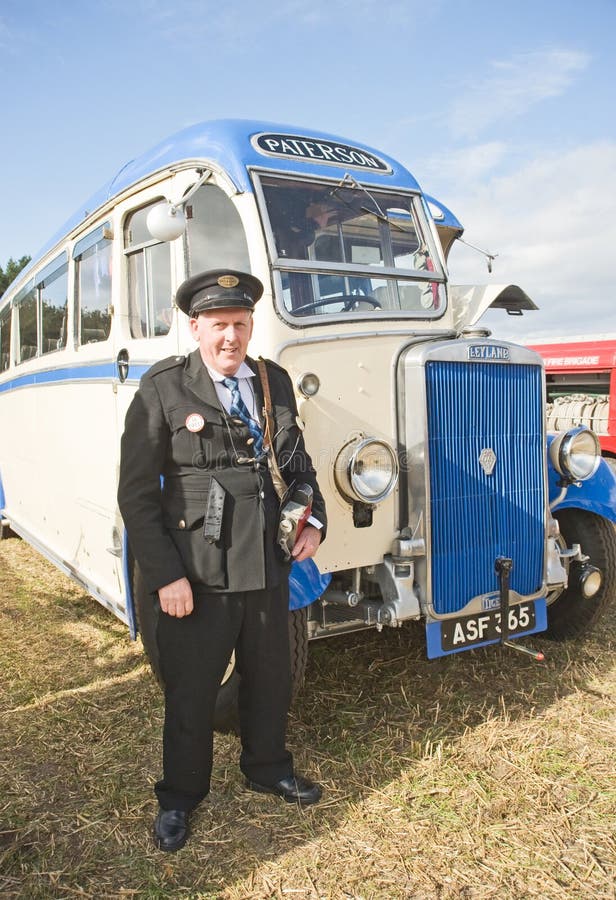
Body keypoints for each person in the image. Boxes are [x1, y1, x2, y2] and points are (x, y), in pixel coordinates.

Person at [118, 269, 327, 852]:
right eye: (218, 325)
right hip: (199, 568)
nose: (230, 337)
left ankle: (268, 767)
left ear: (251, 325)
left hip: (267, 559)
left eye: (239, 323)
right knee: (191, 689)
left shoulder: (272, 380)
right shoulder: (164, 387)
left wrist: (315, 521)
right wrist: (166, 576)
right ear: (196, 328)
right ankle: (180, 797)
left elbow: (298, 463)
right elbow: (136, 494)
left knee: (270, 676)